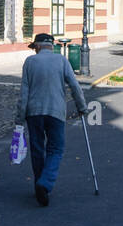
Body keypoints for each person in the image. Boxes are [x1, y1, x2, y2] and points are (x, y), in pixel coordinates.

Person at [14, 32, 87, 206]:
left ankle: (39, 185)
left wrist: (19, 118)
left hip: (34, 113)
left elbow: (24, 93)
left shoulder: (30, 62)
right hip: (56, 112)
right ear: (52, 46)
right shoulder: (62, 61)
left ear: (37, 46)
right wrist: (82, 107)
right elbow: (75, 86)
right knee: (56, 149)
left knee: (37, 150)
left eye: (34, 48)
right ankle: (44, 184)